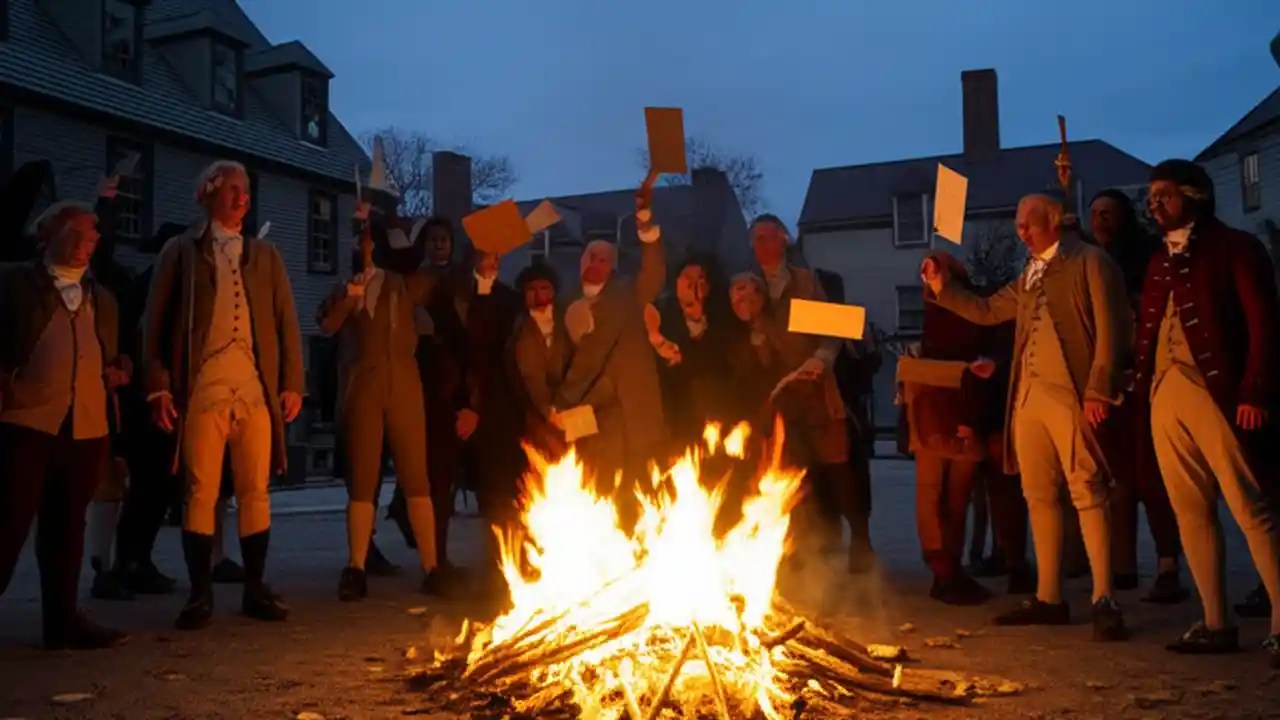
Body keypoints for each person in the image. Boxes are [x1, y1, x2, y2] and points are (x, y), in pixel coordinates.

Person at [922, 193, 1131, 640]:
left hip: (1072, 392)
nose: (1021, 232)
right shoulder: (1029, 276)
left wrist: (1099, 387)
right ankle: (1049, 595)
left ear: (1053, 221)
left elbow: (1113, 328)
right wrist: (943, 288)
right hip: (1029, 396)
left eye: (1028, 224)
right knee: (1037, 494)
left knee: (1087, 490)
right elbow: (987, 310)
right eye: (1018, 224)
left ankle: (1103, 597)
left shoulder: (1090, 261)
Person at [143, 161, 304, 630]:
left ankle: (255, 587)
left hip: (252, 386)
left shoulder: (266, 256)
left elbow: (287, 323)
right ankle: (199, 594)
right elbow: (154, 324)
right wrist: (158, 385)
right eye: (233, 190)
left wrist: (292, 382)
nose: (242, 199)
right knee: (199, 490)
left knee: (256, 490)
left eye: (246, 191)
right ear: (209, 193)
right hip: (203, 387)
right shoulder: (181, 251)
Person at [1132, 159, 1280, 664]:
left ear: (1194, 196)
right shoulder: (1156, 262)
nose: (1155, 205)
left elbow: (1264, 324)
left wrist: (1255, 391)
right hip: (1165, 392)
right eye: (1151, 196)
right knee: (1190, 511)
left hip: (1219, 392)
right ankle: (1216, 621)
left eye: (1165, 195)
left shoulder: (1237, 248)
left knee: (1250, 507)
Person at [0, 199, 132, 649]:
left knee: (68, 528)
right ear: (47, 236)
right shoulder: (14, 283)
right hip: (26, 423)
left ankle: (63, 620)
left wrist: (119, 370)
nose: (83, 244)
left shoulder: (104, 298)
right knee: (8, 523)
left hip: (86, 427)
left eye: (90, 237)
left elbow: (114, 353)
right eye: (72, 234)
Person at [317, 200, 446, 601]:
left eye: (372, 240)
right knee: (363, 477)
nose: (367, 247)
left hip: (404, 383)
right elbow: (326, 325)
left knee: (416, 474)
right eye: (363, 240)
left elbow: (430, 279)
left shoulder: (405, 284)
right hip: (364, 384)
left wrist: (400, 232)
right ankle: (355, 565)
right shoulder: (347, 287)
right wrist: (349, 297)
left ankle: (432, 566)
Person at [748, 215, 874, 573]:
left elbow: (832, 331)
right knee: (793, 473)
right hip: (782, 398)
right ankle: (802, 551)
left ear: (783, 241)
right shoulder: (751, 287)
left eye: (768, 238)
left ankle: (861, 545)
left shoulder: (805, 281)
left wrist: (821, 359)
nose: (762, 246)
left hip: (819, 391)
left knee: (840, 467)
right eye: (756, 240)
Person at [1088, 189, 1187, 603]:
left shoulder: (1146, 258)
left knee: (1153, 478)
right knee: (1120, 479)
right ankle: (1123, 566)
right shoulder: (1092, 260)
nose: (1101, 220)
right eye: (1095, 214)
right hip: (1107, 382)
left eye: (1108, 213)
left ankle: (1168, 565)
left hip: (1145, 377)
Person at [552, 177, 666, 521]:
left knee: (645, 488)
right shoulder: (564, 304)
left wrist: (645, 224)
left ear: (612, 267)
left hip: (636, 407)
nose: (596, 262)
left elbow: (654, 271)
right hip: (590, 413)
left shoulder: (628, 294)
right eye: (591, 256)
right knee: (599, 490)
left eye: (603, 258)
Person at [902, 254, 1001, 605]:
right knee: (935, 495)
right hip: (936, 414)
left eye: (933, 273)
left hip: (959, 414)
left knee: (951, 497)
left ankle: (949, 569)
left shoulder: (966, 312)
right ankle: (945, 569)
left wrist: (971, 414)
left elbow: (976, 362)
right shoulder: (939, 313)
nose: (928, 280)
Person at [646, 256, 737, 449]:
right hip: (674, 412)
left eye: (700, 278)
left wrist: (697, 319)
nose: (693, 284)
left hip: (716, 416)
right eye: (687, 276)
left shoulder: (722, 316)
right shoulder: (659, 315)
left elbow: (722, 361)